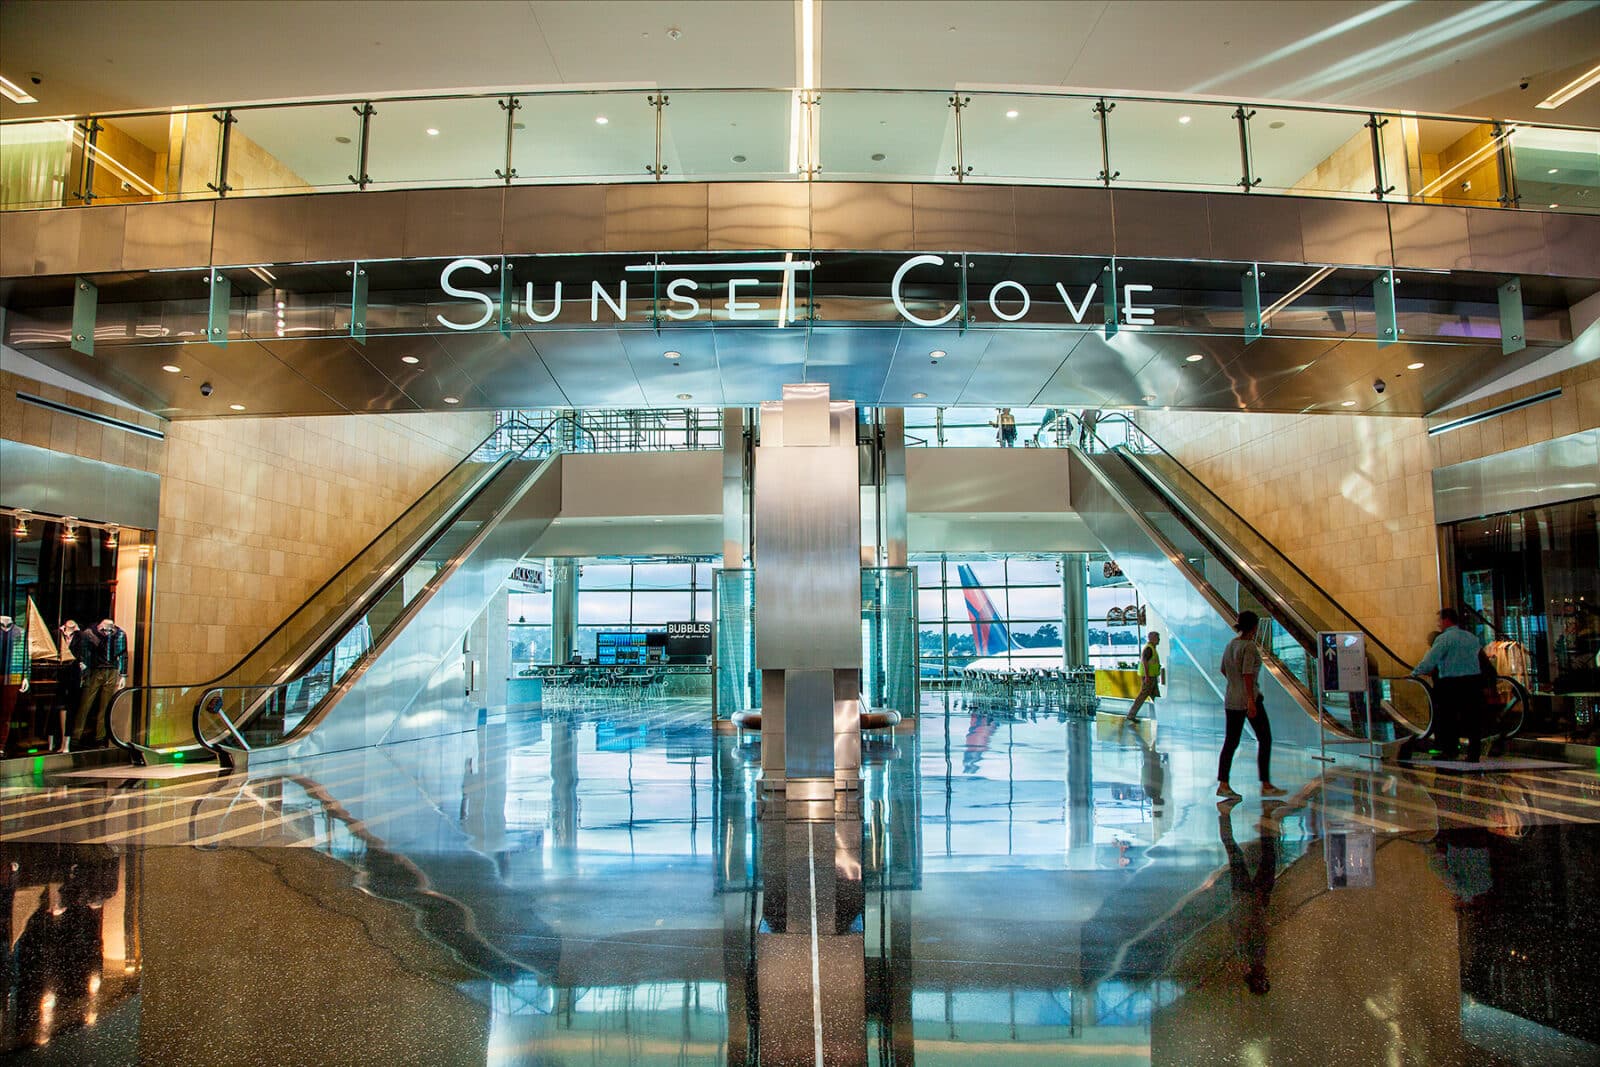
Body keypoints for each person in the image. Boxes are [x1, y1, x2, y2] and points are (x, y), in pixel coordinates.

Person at [1217, 610, 1286, 799]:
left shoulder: (1231, 644)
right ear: (1254, 627)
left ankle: (1223, 783)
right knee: (1265, 738)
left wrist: (1235, 684)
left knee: (1231, 741)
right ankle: (1265, 783)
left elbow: (1224, 669)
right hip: (1249, 699)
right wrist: (1250, 699)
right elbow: (1248, 674)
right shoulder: (1249, 647)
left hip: (1231, 698)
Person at [1409, 607, 1487, 762]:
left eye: (1439, 621)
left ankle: (1450, 750)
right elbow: (1480, 659)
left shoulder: (1444, 639)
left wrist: (1414, 673)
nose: (1438, 625)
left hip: (1450, 683)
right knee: (1472, 719)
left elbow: (1430, 660)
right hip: (1473, 681)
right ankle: (1474, 752)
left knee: (1448, 718)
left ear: (1446, 620)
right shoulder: (1471, 637)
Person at [70, 618, 126, 749]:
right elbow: (84, 652)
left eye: (110, 629)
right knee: (85, 704)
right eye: (105, 629)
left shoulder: (120, 634)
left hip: (111, 670)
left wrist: (123, 674)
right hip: (95, 670)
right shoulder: (90, 633)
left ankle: (100, 737)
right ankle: (76, 736)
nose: (108, 632)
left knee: (105, 706)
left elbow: (123, 654)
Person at [0, 614, 30, 756]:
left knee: (7, 711)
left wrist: (25, 675)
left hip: (13, 674)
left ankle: (1, 745)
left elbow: (26, 655)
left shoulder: (20, 632)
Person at [52, 620, 82, 753]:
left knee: (70, 708)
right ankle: (56, 743)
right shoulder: (56, 634)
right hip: (58, 673)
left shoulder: (82, 636)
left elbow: (87, 652)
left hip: (74, 674)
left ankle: (67, 743)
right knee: (56, 707)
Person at [1125, 631, 1164, 724]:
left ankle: (1159, 716)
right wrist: (1147, 676)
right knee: (1143, 696)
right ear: (1152, 638)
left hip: (1152, 677)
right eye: (1157, 637)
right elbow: (1144, 661)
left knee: (1156, 696)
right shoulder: (1149, 649)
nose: (1159, 640)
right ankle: (1131, 715)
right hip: (1148, 677)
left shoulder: (1152, 648)